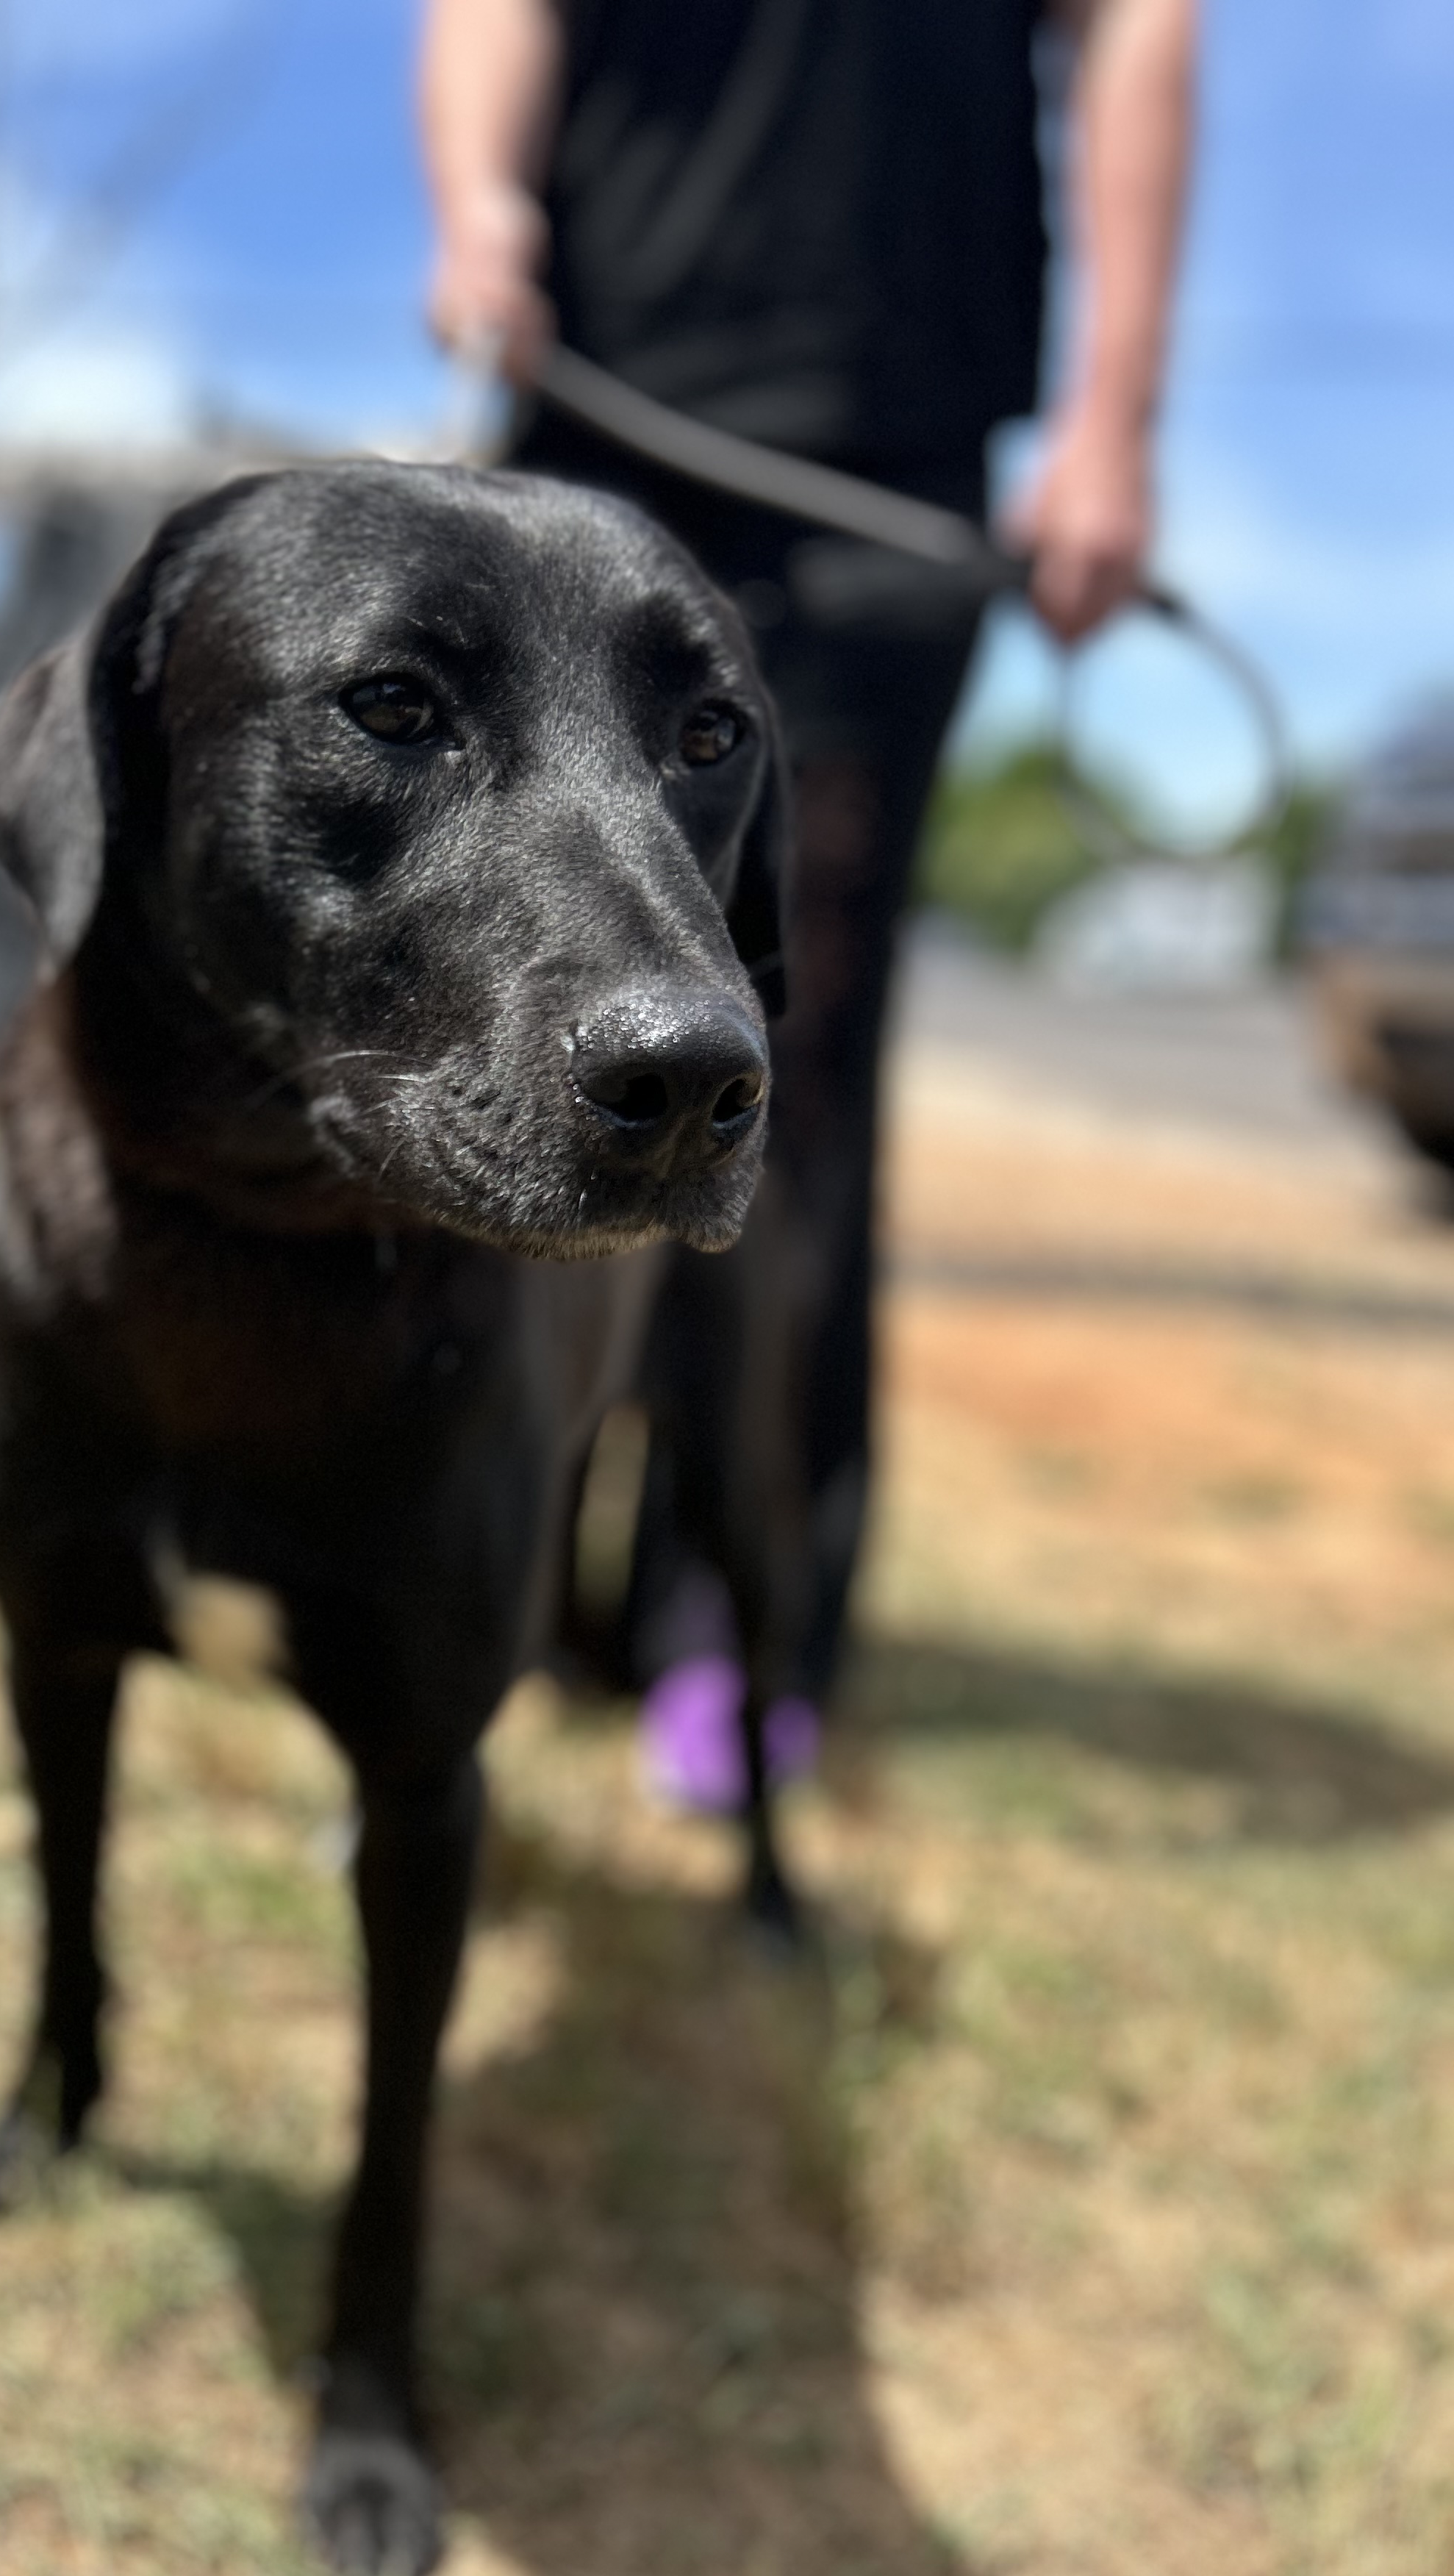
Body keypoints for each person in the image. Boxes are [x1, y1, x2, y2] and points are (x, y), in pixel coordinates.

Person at [419, 0, 1197, 1810]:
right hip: (595, 426)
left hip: (878, 469)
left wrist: (1114, 418)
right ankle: (491, 1573)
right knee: (524, 1047)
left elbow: (1140, 25)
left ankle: (741, 1623)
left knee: (794, 1097)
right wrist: (479, 199)